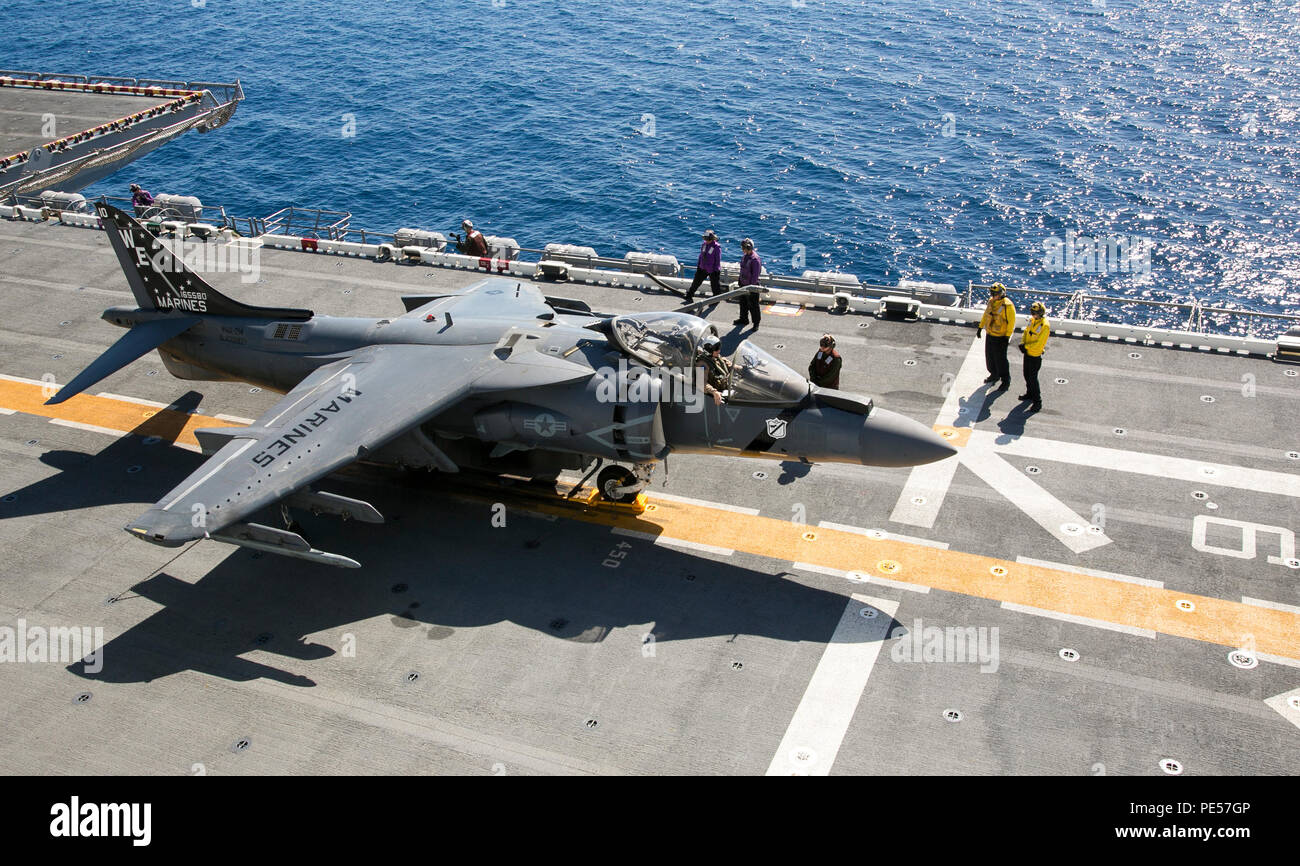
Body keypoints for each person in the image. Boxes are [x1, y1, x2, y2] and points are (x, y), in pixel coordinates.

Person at [976, 282, 1016, 390]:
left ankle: (1005, 380)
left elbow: (1011, 323)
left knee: (1001, 360)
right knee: (990, 357)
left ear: (1002, 293)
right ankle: (994, 374)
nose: (994, 295)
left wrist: (1007, 337)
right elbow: (986, 314)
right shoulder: (991, 301)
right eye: (992, 293)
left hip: (1001, 337)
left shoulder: (1007, 305)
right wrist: (980, 327)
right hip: (990, 334)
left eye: (996, 293)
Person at [1018, 301, 1050, 412]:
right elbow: (1026, 333)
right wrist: (1023, 343)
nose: (1033, 315)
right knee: (1026, 375)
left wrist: (1026, 347)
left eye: (1035, 313)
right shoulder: (1032, 321)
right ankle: (1029, 393)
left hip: (1034, 356)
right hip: (1027, 354)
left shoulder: (1044, 326)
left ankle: (1037, 401)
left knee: (1033, 379)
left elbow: (1039, 344)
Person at [685, 230, 722, 305]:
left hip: (713, 270)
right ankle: (689, 295)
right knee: (696, 282)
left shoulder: (716, 247)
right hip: (702, 267)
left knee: (715, 286)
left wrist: (714, 270)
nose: (706, 241)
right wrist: (699, 265)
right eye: (705, 239)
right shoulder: (704, 245)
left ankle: (715, 300)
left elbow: (717, 260)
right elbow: (701, 256)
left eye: (707, 239)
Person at [734, 238, 762, 329]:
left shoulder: (755, 259)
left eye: (743, 248)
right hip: (743, 284)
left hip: (751, 286)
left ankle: (756, 323)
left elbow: (755, 275)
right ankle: (743, 319)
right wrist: (740, 280)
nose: (742, 250)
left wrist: (751, 287)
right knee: (743, 303)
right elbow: (742, 269)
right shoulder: (745, 256)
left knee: (753, 306)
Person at [698, 340, 731, 405]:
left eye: (719, 348)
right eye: (716, 349)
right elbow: (701, 383)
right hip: (720, 393)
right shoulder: (701, 364)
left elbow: (727, 363)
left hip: (729, 385)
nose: (719, 351)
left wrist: (740, 368)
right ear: (708, 350)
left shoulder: (716, 356)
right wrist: (714, 392)